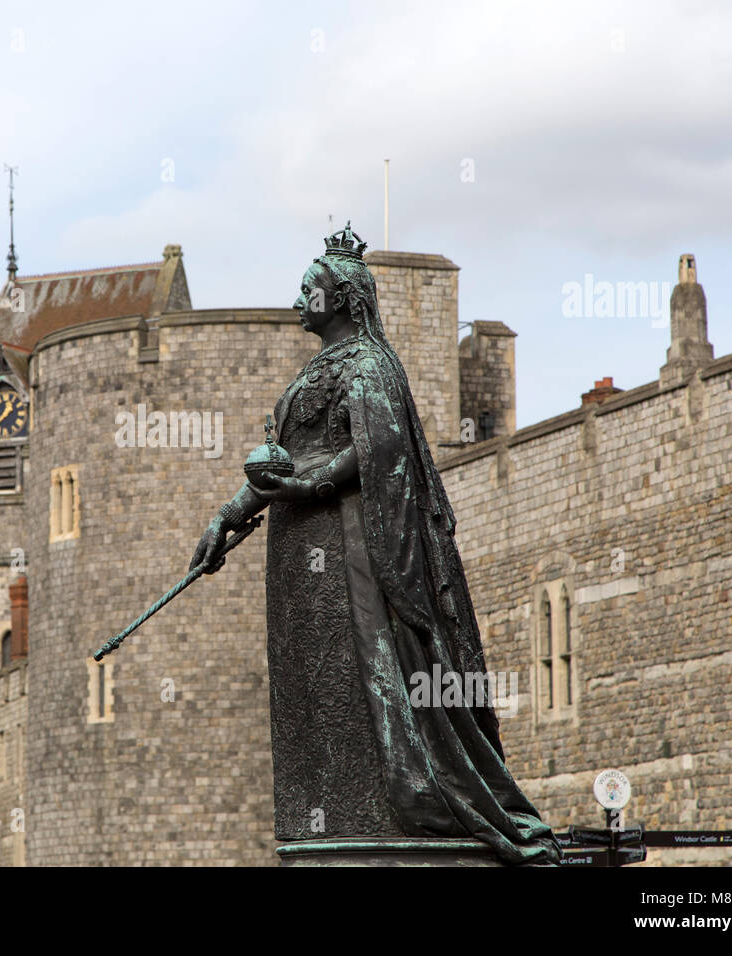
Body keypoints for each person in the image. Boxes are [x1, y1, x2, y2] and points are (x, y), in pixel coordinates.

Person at [190, 223, 560, 865]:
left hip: (355, 546)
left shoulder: (369, 366)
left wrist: (310, 484)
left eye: (312, 288)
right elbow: (285, 463)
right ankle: (332, 817)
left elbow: (376, 451)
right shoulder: (313, 374)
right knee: (316, 680)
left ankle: (402, 807)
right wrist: (231, 513)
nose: (301, 297)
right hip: (303, 559)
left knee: (368, 672)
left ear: (344, 298)